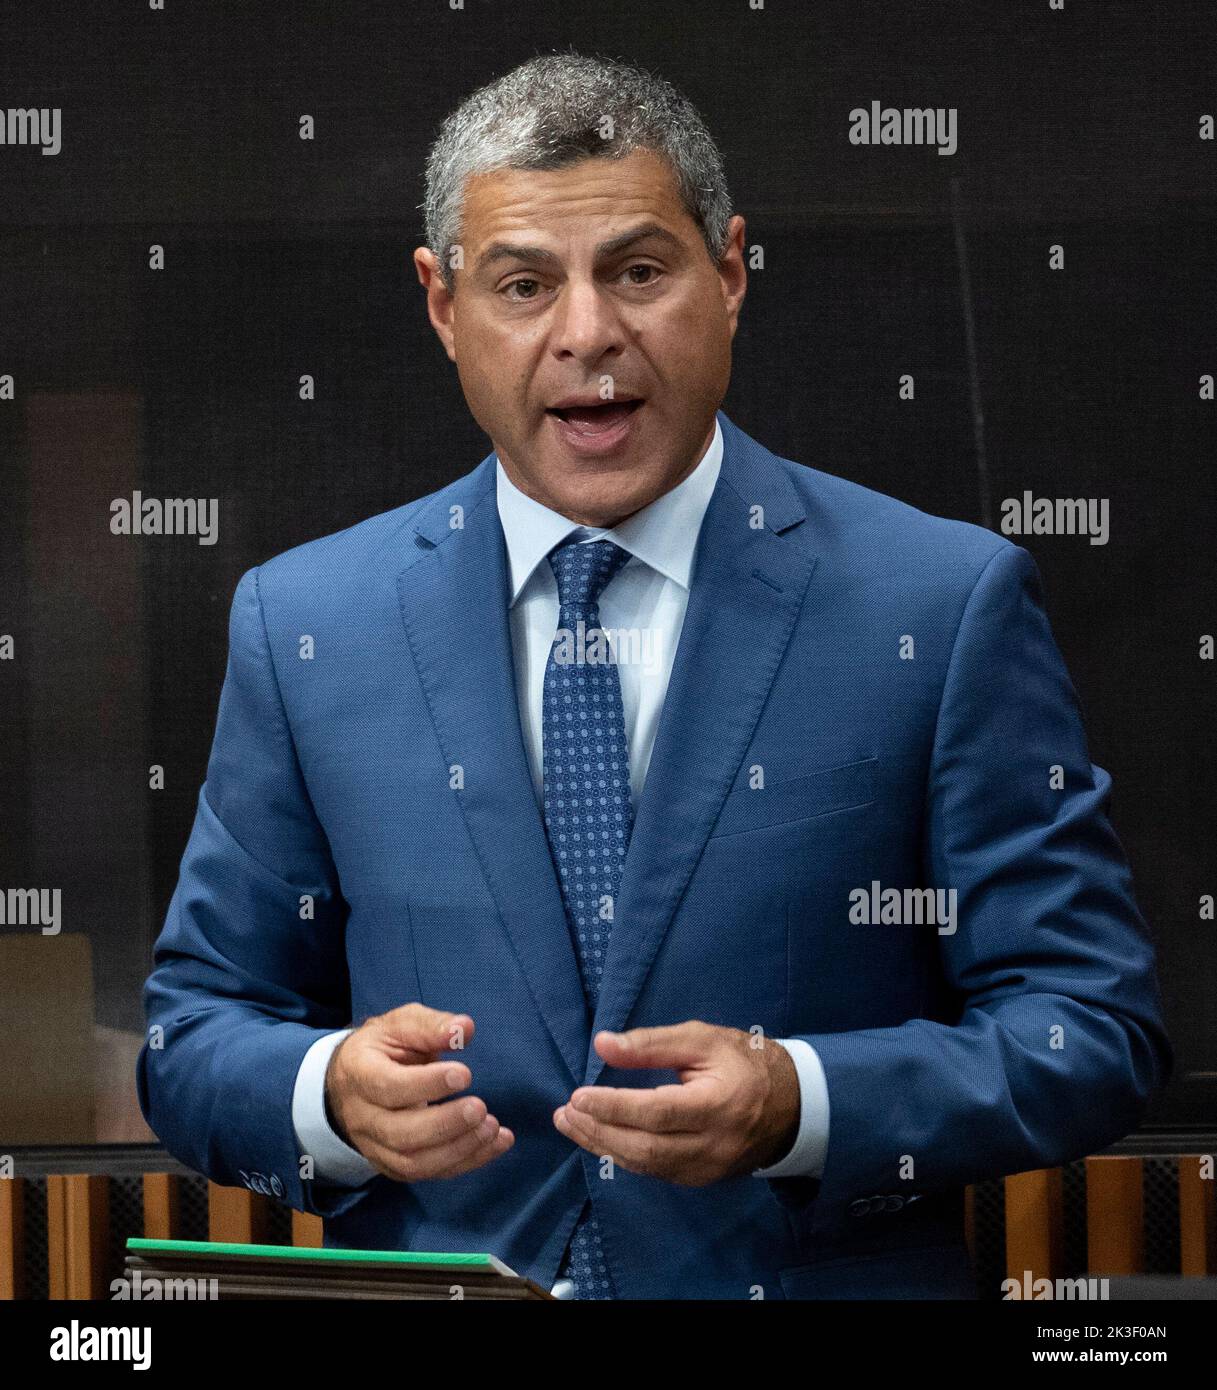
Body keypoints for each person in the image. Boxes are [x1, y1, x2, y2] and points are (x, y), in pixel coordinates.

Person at [138, 52, 1172, 1300]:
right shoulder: (305, 623)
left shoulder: (941, 603)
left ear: (728, 273)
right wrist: (327, 1094)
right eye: (523, 284)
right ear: (441, 305)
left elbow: (1089, 1027)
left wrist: (801, 1100)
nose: (588, 334)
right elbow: (193, 1034)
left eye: (637, 270)